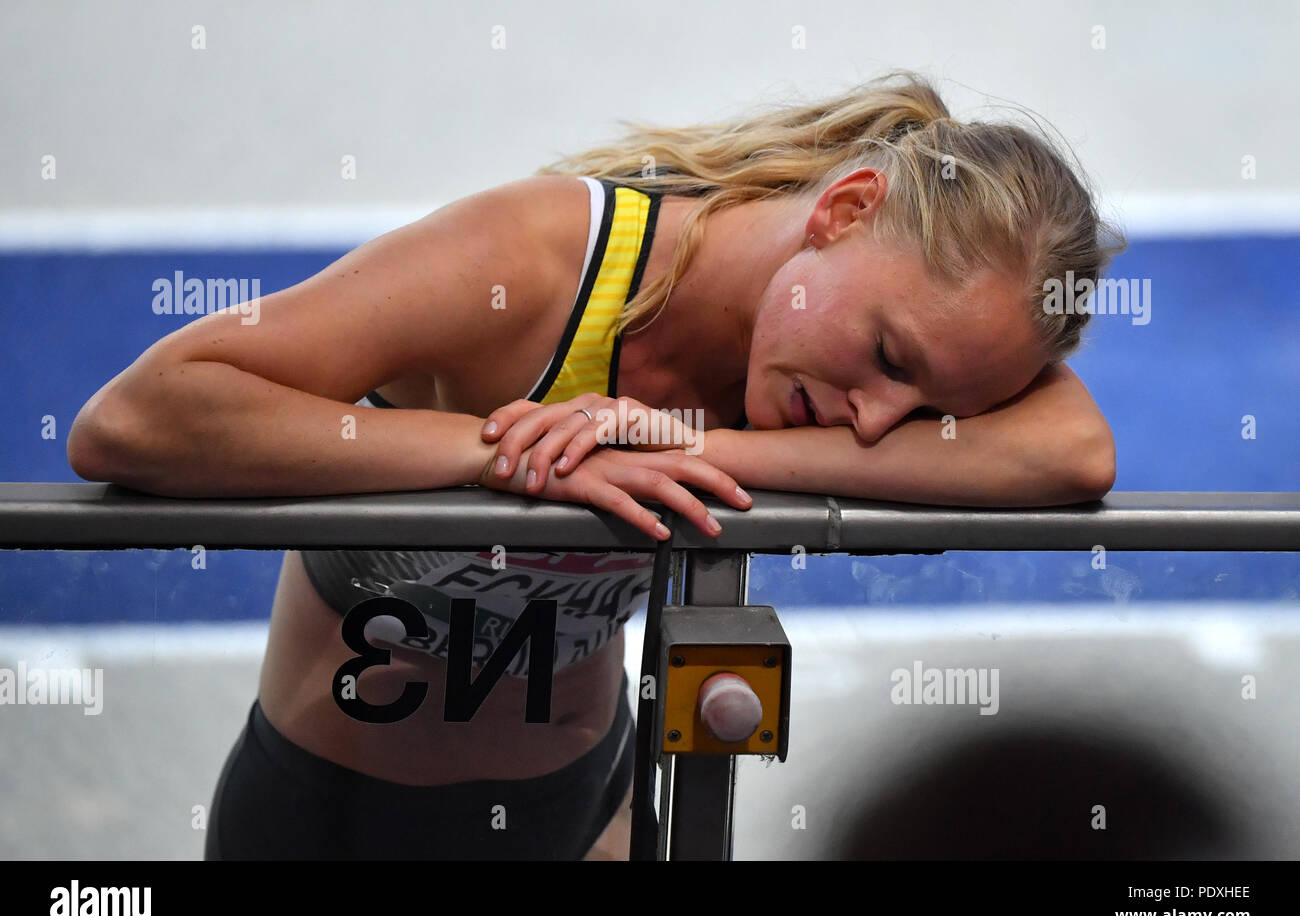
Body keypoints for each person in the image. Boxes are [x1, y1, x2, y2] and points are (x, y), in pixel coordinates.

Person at [65, 71, 1123, 860]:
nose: (877, 423)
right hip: (327, 816)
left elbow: (1074, 452)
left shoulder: (812, 379)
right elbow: (137, 415)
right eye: (890, 357)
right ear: (844, 209)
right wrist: (511, 455)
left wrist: (685, 442)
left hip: (586, 815)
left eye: (933, 409)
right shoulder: (531, 261)